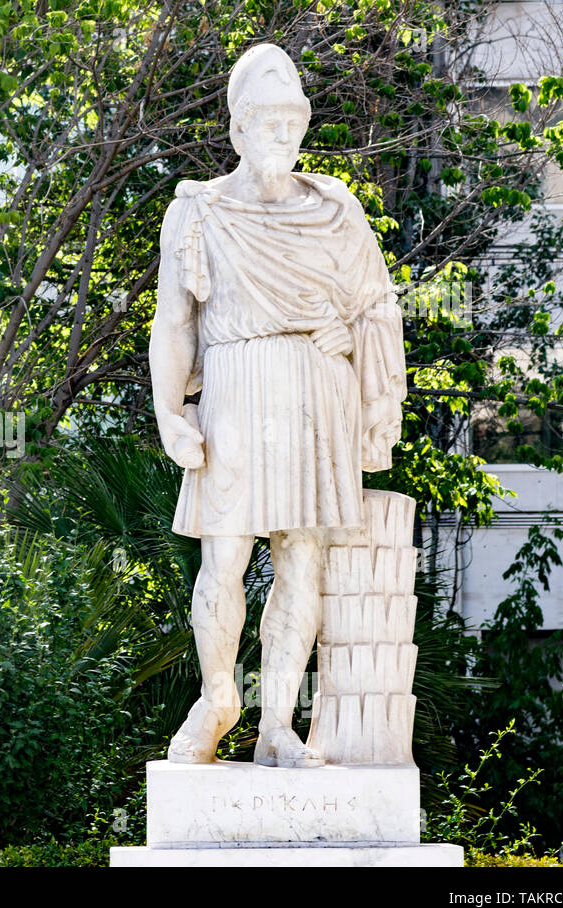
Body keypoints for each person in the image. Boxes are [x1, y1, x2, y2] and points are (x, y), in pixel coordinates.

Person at [149, 43, 407, 767]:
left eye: (293, 124)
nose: (284, 138)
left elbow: (376, 306)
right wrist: (172, 412)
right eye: (269, 124)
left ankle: (276, 728)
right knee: (223, 556)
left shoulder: (334, 210)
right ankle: (218, 696)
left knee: (302, 559)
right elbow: (172, 321)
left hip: (315, 390)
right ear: (237, 130)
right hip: (235, 382)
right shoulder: (199, 212)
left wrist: (354, 336)